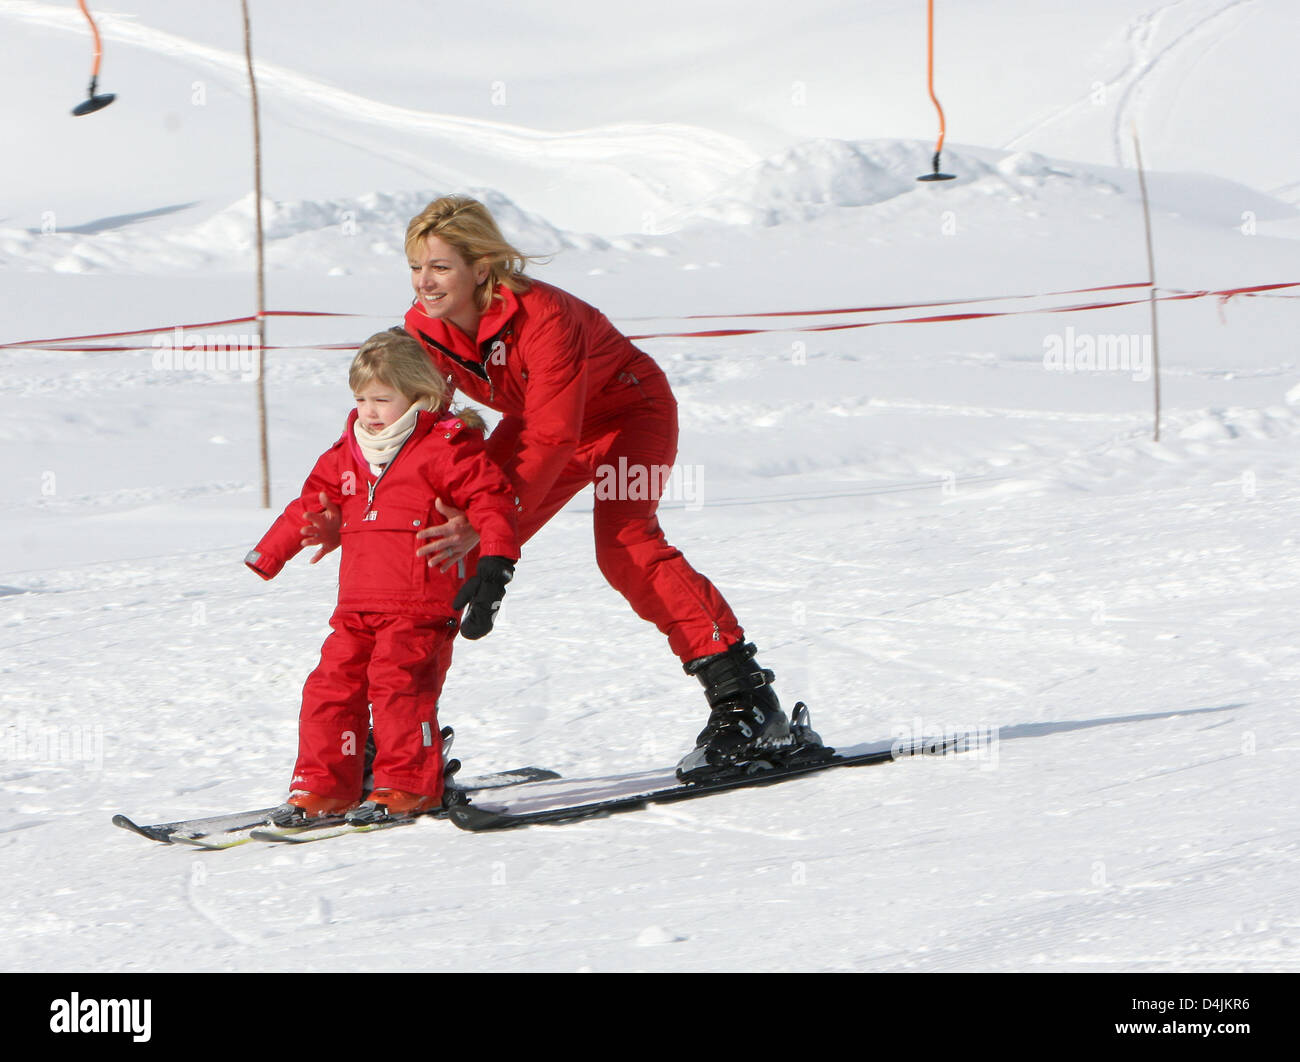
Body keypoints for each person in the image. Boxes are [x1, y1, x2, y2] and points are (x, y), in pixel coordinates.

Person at [307, 195, 822, 779]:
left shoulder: (545, 316)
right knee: (443, 545)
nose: (424, 282)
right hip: (543, 423)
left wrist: (488, 517)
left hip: (630, 414)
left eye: (440, 267)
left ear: (483, 268)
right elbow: (417, 429)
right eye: (416, 267)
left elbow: (554, 439)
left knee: (625, 546)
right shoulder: (425, 328)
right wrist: (357, 500)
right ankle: (402, 736)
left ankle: (749, 704)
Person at [245, 329, 521, 825]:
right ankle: (324, 787)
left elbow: (492, 500)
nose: (369, 411)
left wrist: (495, 563)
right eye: (361, 399)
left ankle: (408, 786)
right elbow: (310, 505)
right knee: (329, 689)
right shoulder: (345, 454)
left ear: (419, 394)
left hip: (420, 604)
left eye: (382, 399)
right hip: (355, 605)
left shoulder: (445, 448)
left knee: (398, 689)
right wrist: (269, 554)